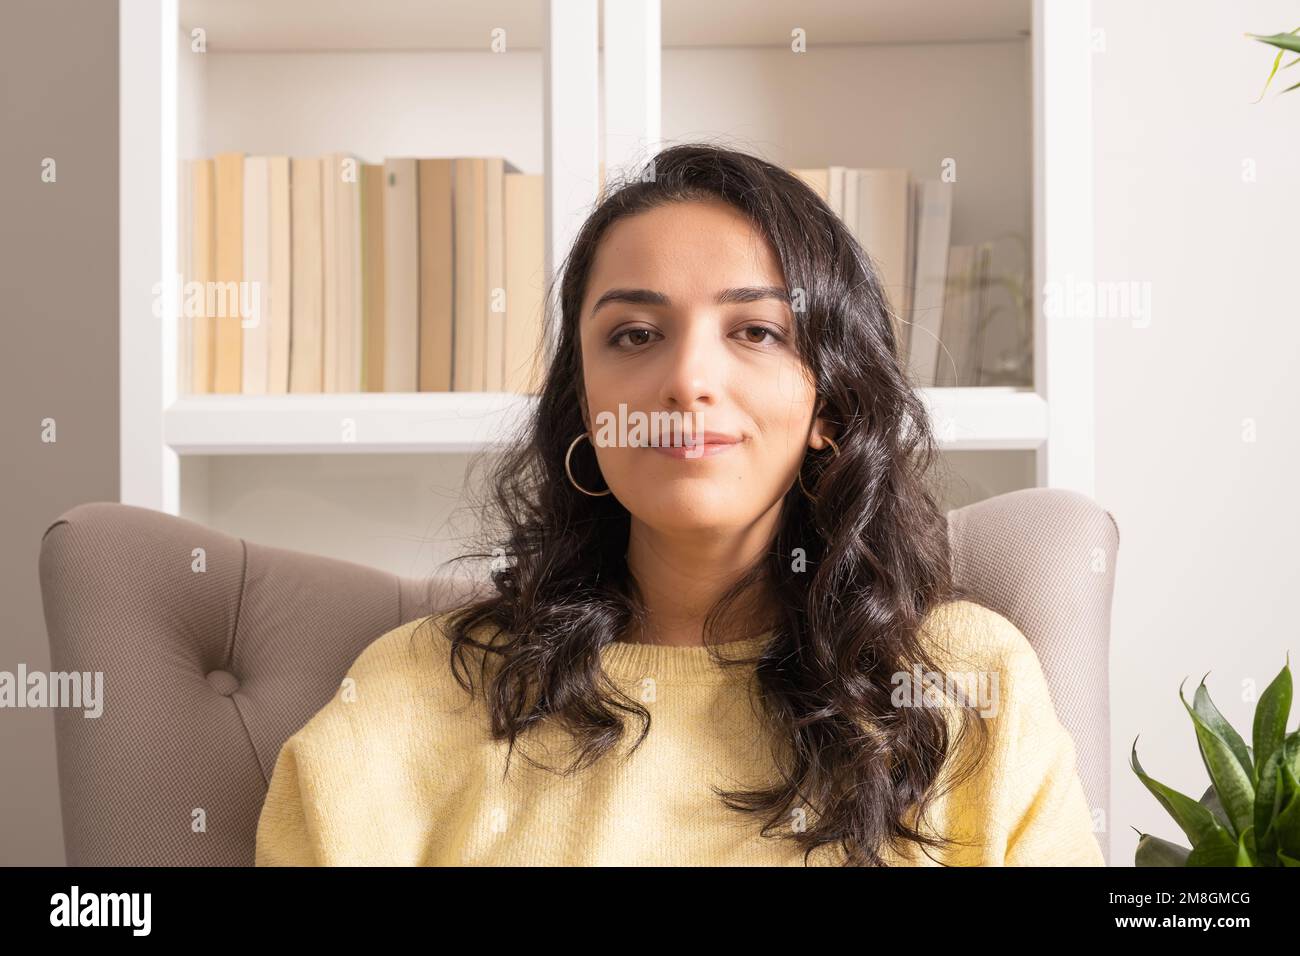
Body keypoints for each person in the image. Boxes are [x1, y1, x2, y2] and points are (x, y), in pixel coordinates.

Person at [255, 144, 1105, 867]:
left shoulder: (964, 683)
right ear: (586, 404)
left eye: (756, 332)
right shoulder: (410, 694)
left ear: (830, 406)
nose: (689, 380)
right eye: (634, 335)